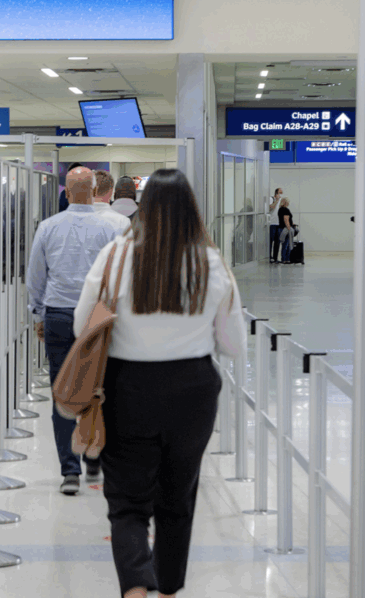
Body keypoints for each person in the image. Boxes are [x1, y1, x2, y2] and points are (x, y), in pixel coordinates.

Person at [73, 169, 246, 598]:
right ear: (191, 209)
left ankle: (134, 589)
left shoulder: (116, 255)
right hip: (192, 389)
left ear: (144, 208)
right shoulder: (211, 262)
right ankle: (168, 590)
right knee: (178, 497)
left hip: (125, 387)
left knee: (127, 503)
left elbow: (82, 326)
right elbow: (233, 344)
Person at [27, 166, 123, 495]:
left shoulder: (48, 227)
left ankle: (70, 471)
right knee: (100, 386)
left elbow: (36, 277)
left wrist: (39, 314)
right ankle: (94, 455)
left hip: (59, 316)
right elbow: (121, 276)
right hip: (98, 318)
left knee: (63, 390)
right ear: (96, 192)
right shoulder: (114, 227)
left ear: (66, 193)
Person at [268, 187, 284, 263]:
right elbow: (270, 208)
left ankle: (275, 258)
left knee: (277, 242)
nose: (281, 194)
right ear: (276, 193)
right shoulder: (271, 199)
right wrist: (276, 200)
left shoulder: (281, 200)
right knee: (271, 241)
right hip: (272, 223)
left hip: (279, 223)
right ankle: (269, 257)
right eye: (280, 192)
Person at [277, 197, 295, 263]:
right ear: (285, 202)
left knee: (284, 245)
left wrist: (292, 223)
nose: (288, 203)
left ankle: (284, 259)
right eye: (288, 202)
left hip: (281, 228)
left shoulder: (280, 209)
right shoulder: (285, 209)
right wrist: (289, 228)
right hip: (285, 229)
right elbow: (286, 220)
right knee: (287, 245)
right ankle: (286, 259)